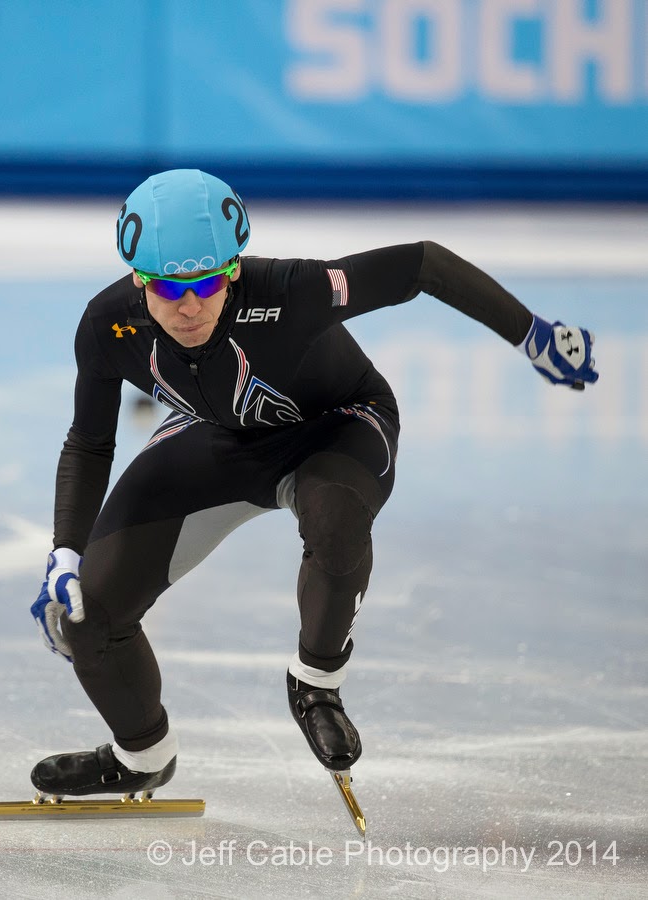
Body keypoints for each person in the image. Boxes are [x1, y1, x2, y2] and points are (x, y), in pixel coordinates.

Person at [30, 169, 598, 798]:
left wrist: (534, 335)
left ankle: (317, 684)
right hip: (220, 434)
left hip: (337, 427)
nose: (189, 306)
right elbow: (89, 442)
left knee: (337, 523)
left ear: (234, 271)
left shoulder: (291, 290)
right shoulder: (107, 324)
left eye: (208, 282)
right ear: (139, 280)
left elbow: (423, 264)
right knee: (85, 614)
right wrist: (65, 551)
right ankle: (142, 755)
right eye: (168, 287)